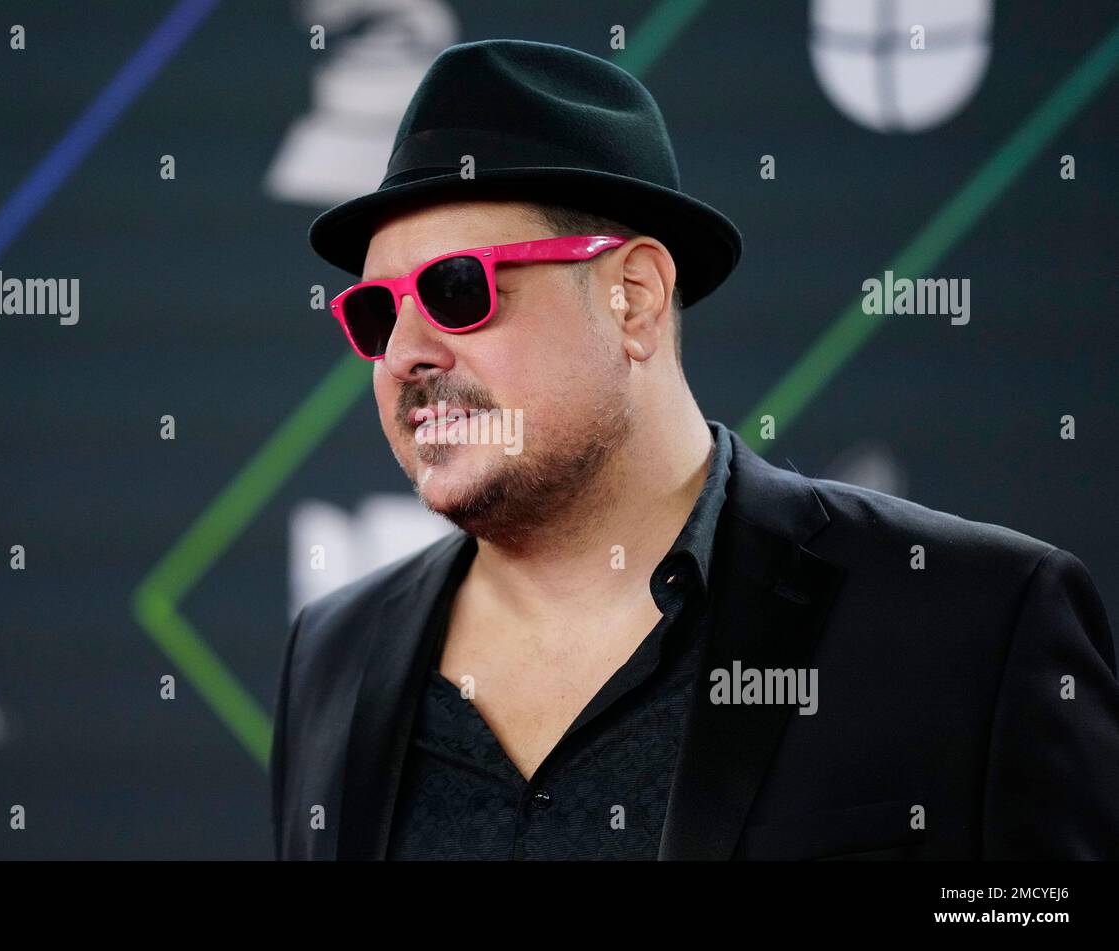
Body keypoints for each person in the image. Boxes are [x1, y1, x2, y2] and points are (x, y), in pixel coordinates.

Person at [270, 39, 1119, 860]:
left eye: (458, 291)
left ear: (634, 299)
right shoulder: (334, 656)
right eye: (377, 313)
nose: (405, 354)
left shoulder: (972, 622)